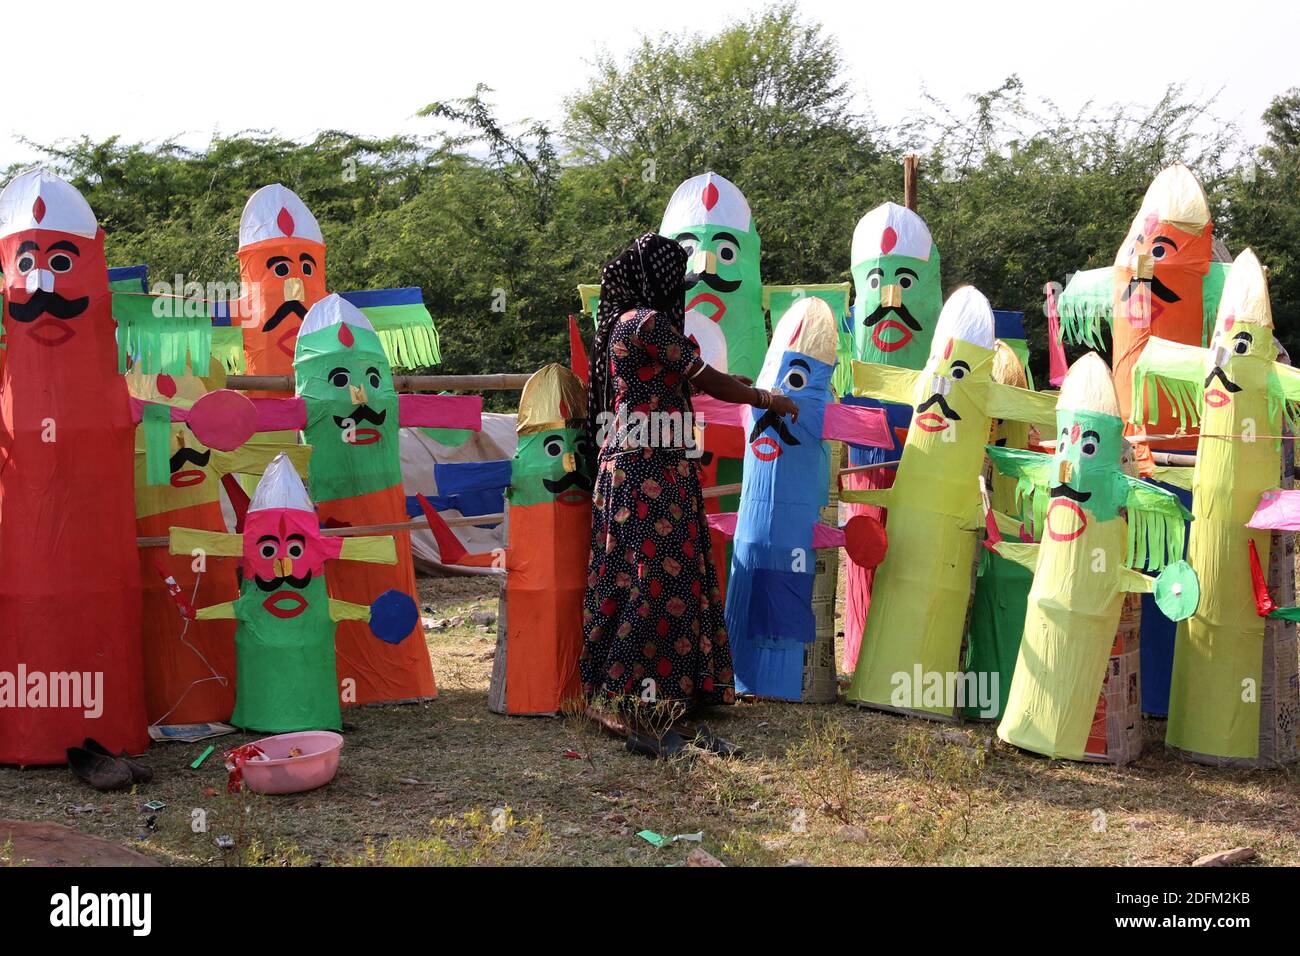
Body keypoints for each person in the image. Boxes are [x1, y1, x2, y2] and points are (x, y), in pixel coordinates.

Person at [582, 232, 799, 758]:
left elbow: (682, 380)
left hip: (634, 470)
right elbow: (710, 381)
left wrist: (733, 383)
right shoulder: (649, 323)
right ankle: (643, 708)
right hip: (649, 475)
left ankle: (632, 698)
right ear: (655, 281)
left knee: (638, 578)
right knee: (657, 582)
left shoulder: (619, 325)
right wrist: (767, 398)